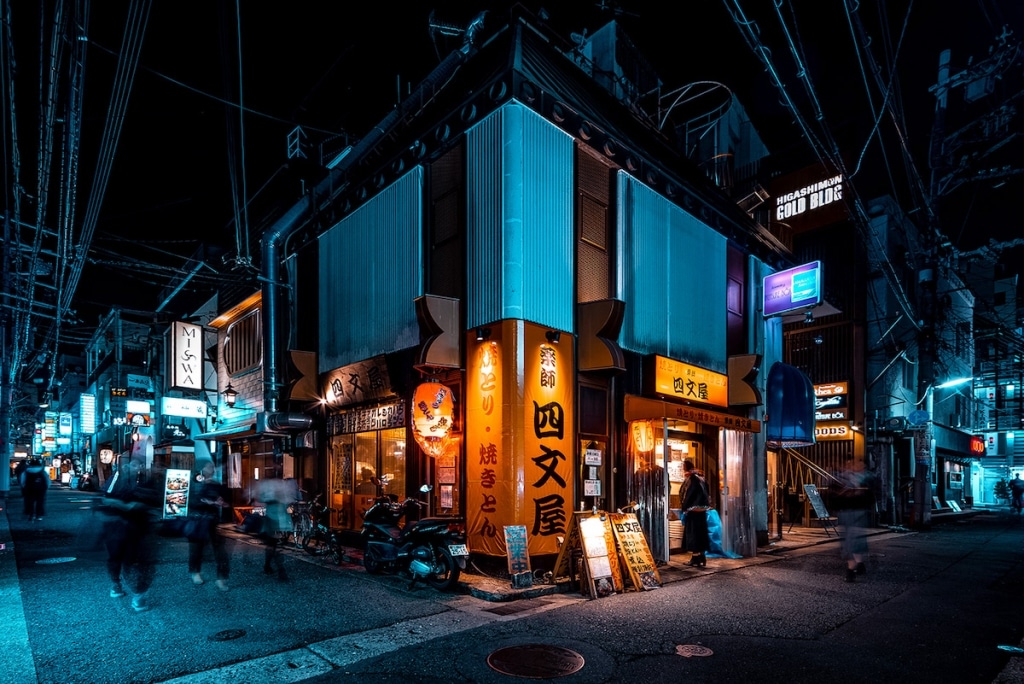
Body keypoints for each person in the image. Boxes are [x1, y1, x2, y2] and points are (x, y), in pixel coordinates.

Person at [98, 452, 160, 612]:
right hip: (117, 525)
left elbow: (153, 501)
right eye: (134, 465)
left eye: (139, 465)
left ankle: (138, 595)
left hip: (140, 527)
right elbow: (105, 498)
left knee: (141, 561)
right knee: (117, 556)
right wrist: (124, 506)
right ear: (127, 465)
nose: (137, 468)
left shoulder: (146, 481)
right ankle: (116, 584)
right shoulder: (117, 478)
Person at [188, 459, 231, 591]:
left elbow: (227, 503)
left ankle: (221, 578)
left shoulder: (217, 485)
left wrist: (222, 503)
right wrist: (209, 502)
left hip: (213, 520)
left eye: (212, 467)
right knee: (197, 548)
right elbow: (193, 502)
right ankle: (195, 571)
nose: (211, 469)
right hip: (198, 520)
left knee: (220, 550)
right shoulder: (196, 484)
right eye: (208, 467)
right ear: (202, 469)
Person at [831, 459, 875, 582]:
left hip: (858, 513)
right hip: (846, 513)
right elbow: (834, 495)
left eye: (857, 463)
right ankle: (859, 564)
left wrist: (858, 492)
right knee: (852, 540)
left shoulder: (866, 479)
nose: (852, 466)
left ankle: (851, 571)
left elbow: (870, 497)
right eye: (850, 463)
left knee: (853, 541)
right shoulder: (843, 479)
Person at [258, 477, 298, 581]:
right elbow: (262, 498)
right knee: (274, 544)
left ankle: (269, 565)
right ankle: (280, 570)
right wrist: (274, 497)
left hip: (281, 520)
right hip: (272, 519)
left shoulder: (284, 487)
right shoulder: (270, 486)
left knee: (274, 545)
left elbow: (294, 498)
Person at [680, 459, 711, 568]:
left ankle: (695, 558)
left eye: (683, 466)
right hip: (701, 511)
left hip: (693, 511)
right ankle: (702, 557)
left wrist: (684, 507)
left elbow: (688, 495)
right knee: (701, 533)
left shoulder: (692, 479)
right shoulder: (701, 478)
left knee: (694, 535)